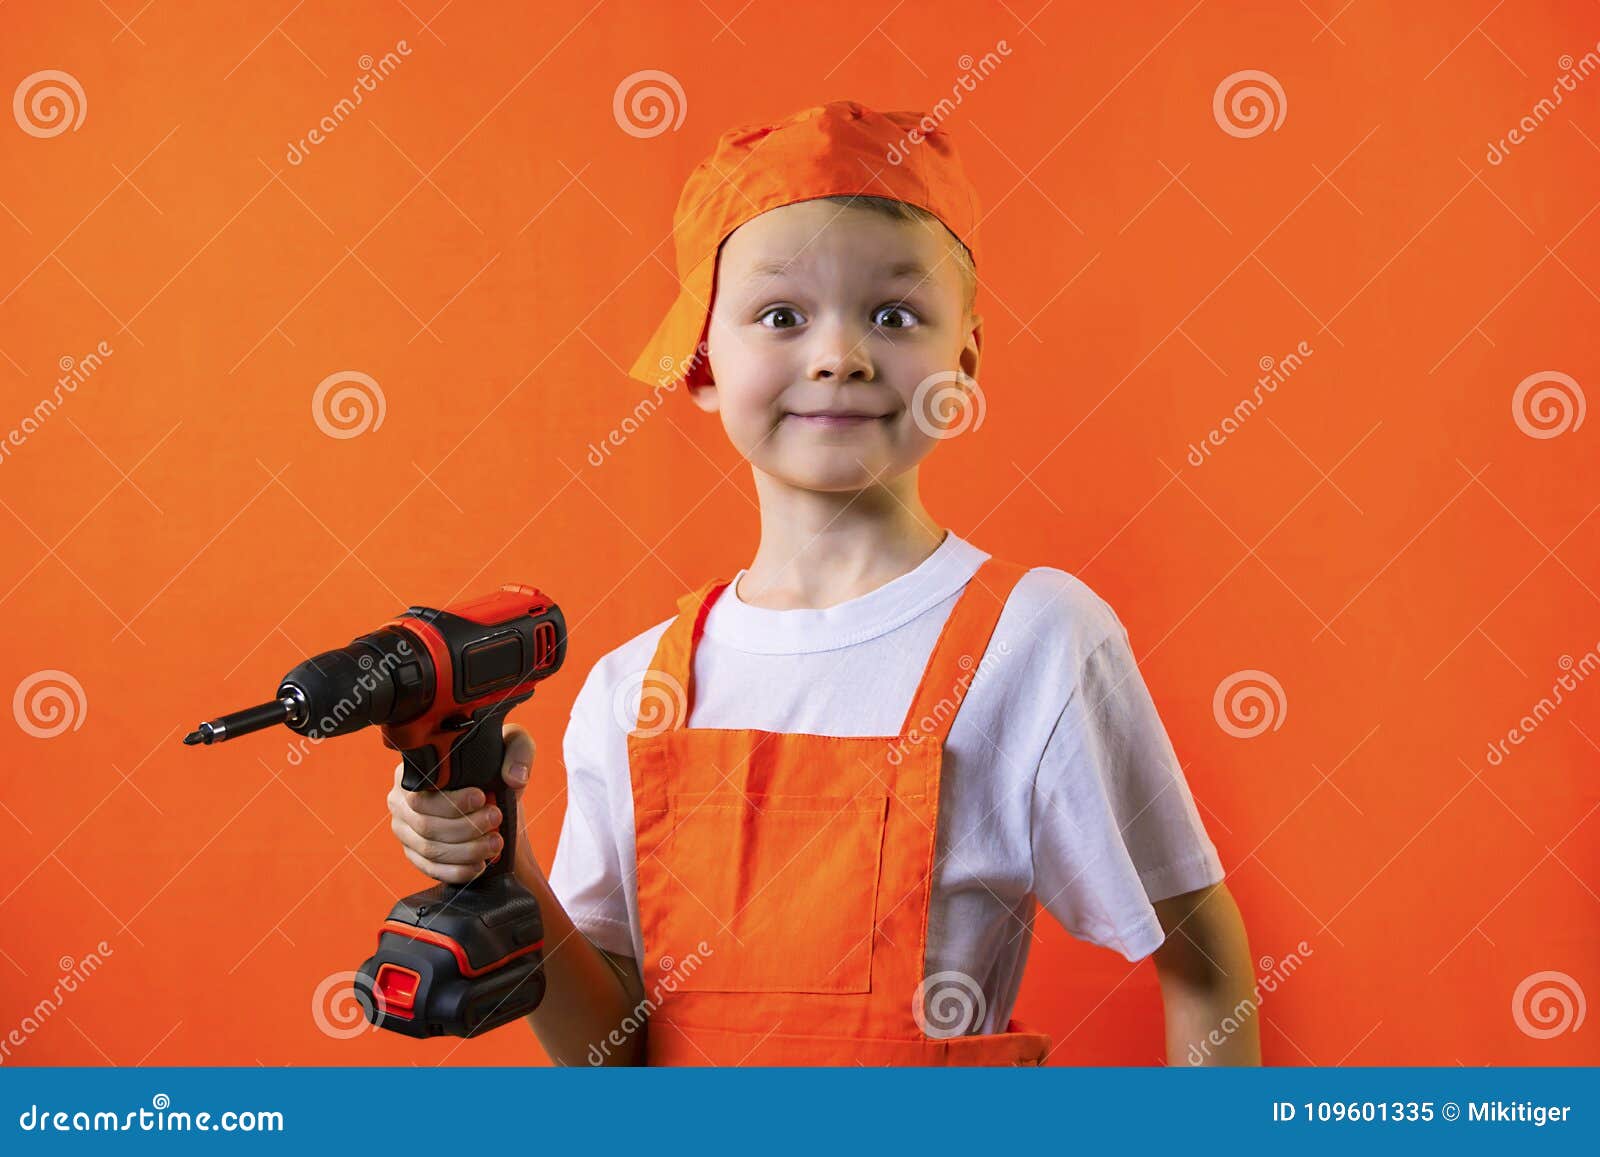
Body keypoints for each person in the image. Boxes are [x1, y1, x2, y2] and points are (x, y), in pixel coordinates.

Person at [387, 99, 1258, 1066]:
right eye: (781, 314)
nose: (838, 355)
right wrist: (506, 863)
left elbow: (1203, 957)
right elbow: (609, 1055)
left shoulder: (1037, 637)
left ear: (964, 357)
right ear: (702, 359)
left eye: (894, 314)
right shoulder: (632, 691)